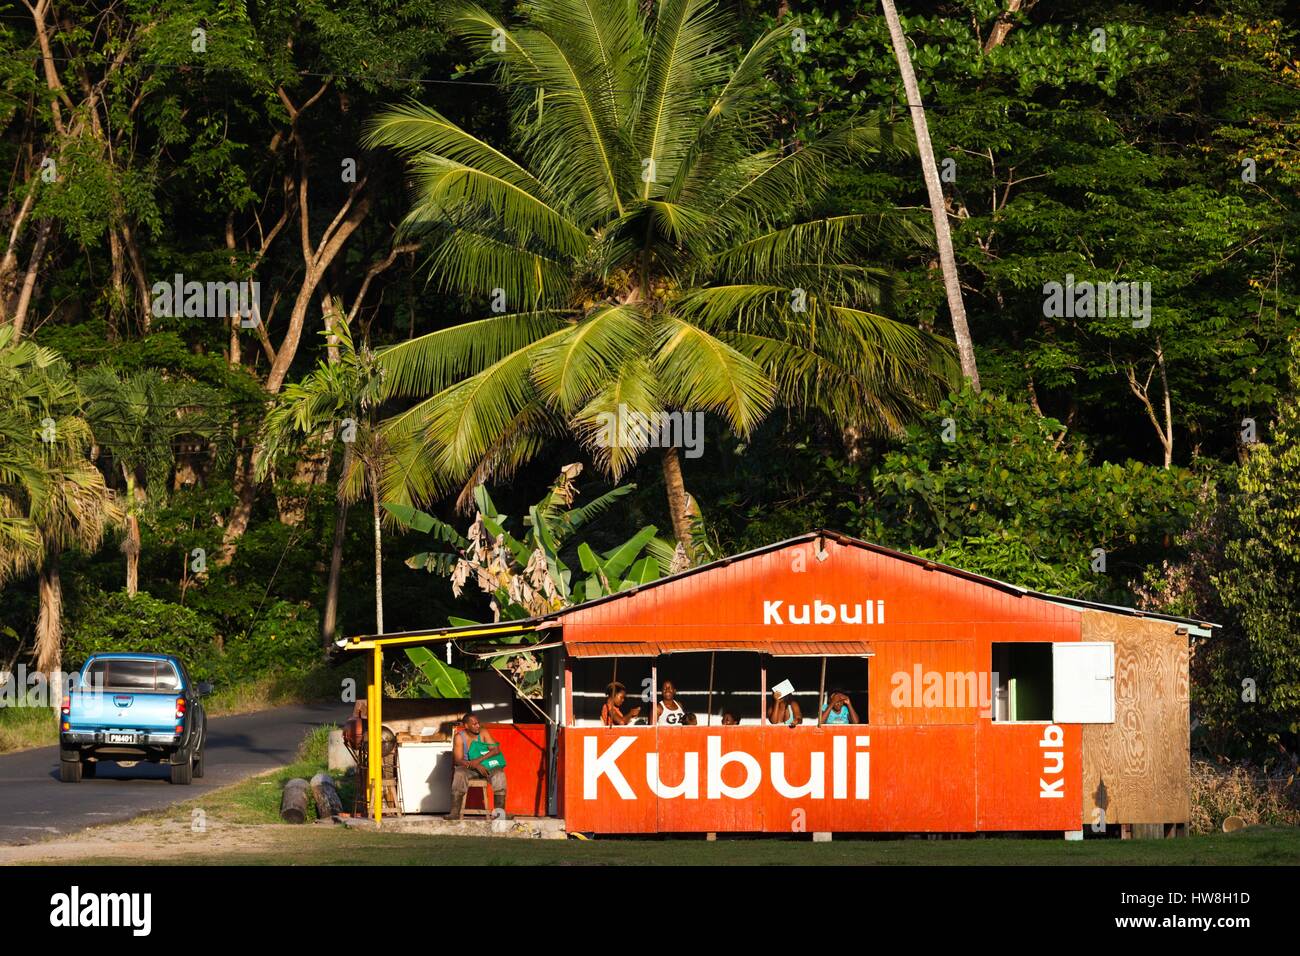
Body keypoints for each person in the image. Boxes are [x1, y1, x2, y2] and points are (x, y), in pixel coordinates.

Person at [449, 714, 508, 819]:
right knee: (459, 773)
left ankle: (499, 814)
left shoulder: (483, 732)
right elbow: (458, 760)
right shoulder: (459, 737)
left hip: (486, 765)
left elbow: (495, 749)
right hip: (468, 768)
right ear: (466, 726)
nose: (477, 726)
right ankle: (454, 813)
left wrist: (478, 761)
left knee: (499, 774)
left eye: (478, 723)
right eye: (474, 724)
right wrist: (474, 765)